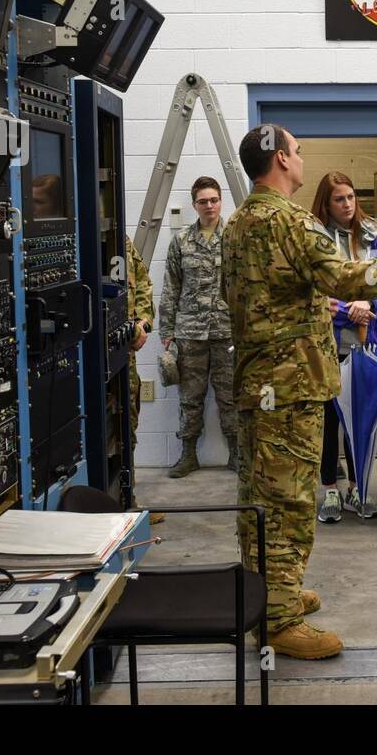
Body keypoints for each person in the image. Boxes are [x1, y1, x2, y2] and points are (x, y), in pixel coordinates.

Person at [221, 123, 377, 659]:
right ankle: (279, 622)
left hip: (260, 385)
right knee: (290, 502)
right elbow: (346, 277)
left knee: (258, 498)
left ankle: (269, 596)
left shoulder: (239, 222)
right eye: (298, 151)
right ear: (280, 158)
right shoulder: (289, 221)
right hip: (290, 387)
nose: (302, 159)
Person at [311, 172, 377, 523]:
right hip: (326, 344)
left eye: (350, 197)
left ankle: (358, 487)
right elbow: (315, 293)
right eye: (338, 199)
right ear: (326, 204)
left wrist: (367, 306)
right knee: (329, 420)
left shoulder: (374, 233)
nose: (347, 205)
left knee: (361, 416)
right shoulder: (314, 237)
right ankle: (329, 490)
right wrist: (347, 309)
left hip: (365, 340)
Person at [159, 176, 237, 478]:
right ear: (195, 205)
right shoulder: (181, 242)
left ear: (221, 202)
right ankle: (188, 455)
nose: (209, 206)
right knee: (190, 397)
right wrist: (166, 331)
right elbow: (170, 288)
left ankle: (236, 454)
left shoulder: (234, 238)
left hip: (226, 331)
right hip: (189, 332)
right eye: (203, 201)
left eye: (214, 200)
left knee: (230, 395)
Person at [124, 236, 164, 525]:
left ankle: (127, 499)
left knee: (127, 424)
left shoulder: (121, 242)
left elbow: (142, 280)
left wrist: (142, 323)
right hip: (91, 356)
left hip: (124, 353)